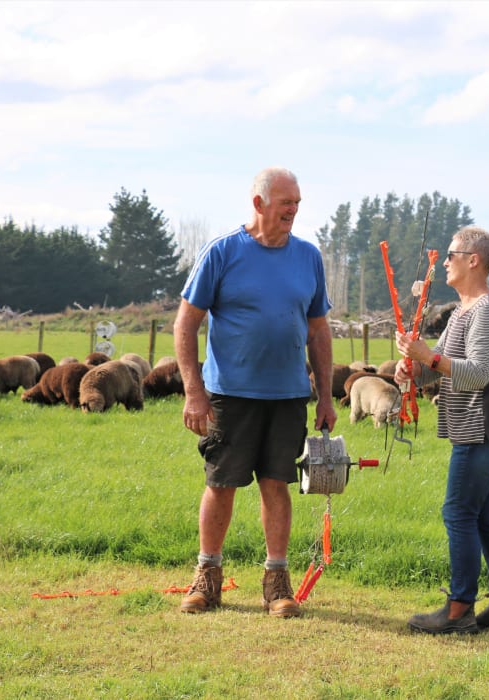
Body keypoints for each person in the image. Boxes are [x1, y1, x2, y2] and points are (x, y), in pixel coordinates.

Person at [174, 166, 337, 617]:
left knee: (276, 484)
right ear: (259, 203)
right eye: (286, 201)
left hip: (287, 396)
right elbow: (186, 323)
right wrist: (194, 391)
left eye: (298, 202)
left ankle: (277, 584)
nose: (293, 209)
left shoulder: (308, 258)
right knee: (221, 483)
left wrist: (325, 395)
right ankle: (207, 578)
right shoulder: (223, 253)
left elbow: (319, 330)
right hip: (230, 394)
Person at [394, 225, 489, 634]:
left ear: (474, 260)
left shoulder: (484, 310)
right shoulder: (465, 310)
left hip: (481, 430)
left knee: (459, 513)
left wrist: (429, 360)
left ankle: (458, 610)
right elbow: (443, 365)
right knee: (485, 518)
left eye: (451, 254)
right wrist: (411, 368)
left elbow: (479, 374)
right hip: (485, 428)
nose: (444, 261)